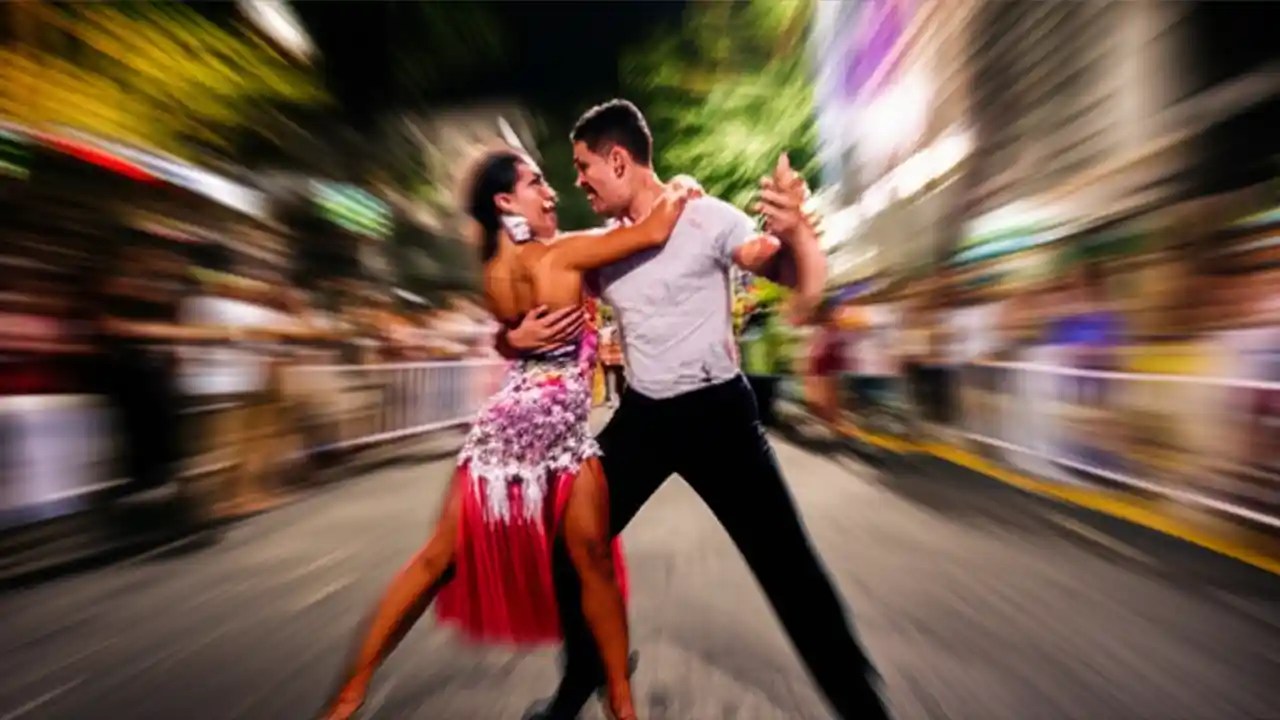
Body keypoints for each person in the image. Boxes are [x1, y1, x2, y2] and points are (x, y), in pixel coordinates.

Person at [501, 100, 891, 719]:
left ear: (619, 159)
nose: (576, 181)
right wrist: (510, 340)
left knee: (791, 572)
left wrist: (795, 231)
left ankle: (865, 709)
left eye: (583, 167)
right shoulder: (603, 249)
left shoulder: (708, 216)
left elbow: (787, 271)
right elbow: (528, 301)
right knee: (571, 545)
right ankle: (582, 681)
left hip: (717, 416)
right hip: (646, 417)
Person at [320, 149, 700, 720]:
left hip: (500, 434)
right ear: (505, 201)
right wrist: (681, 186)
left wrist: (510, 343)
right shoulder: (562, 253)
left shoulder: (492, 272)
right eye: (536, 182)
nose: (550, 192)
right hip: (559, 436)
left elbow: (511, 336)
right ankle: (622, 704)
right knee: (592, 560)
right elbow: (656, 229)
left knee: (434, 562)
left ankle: (350, 694)